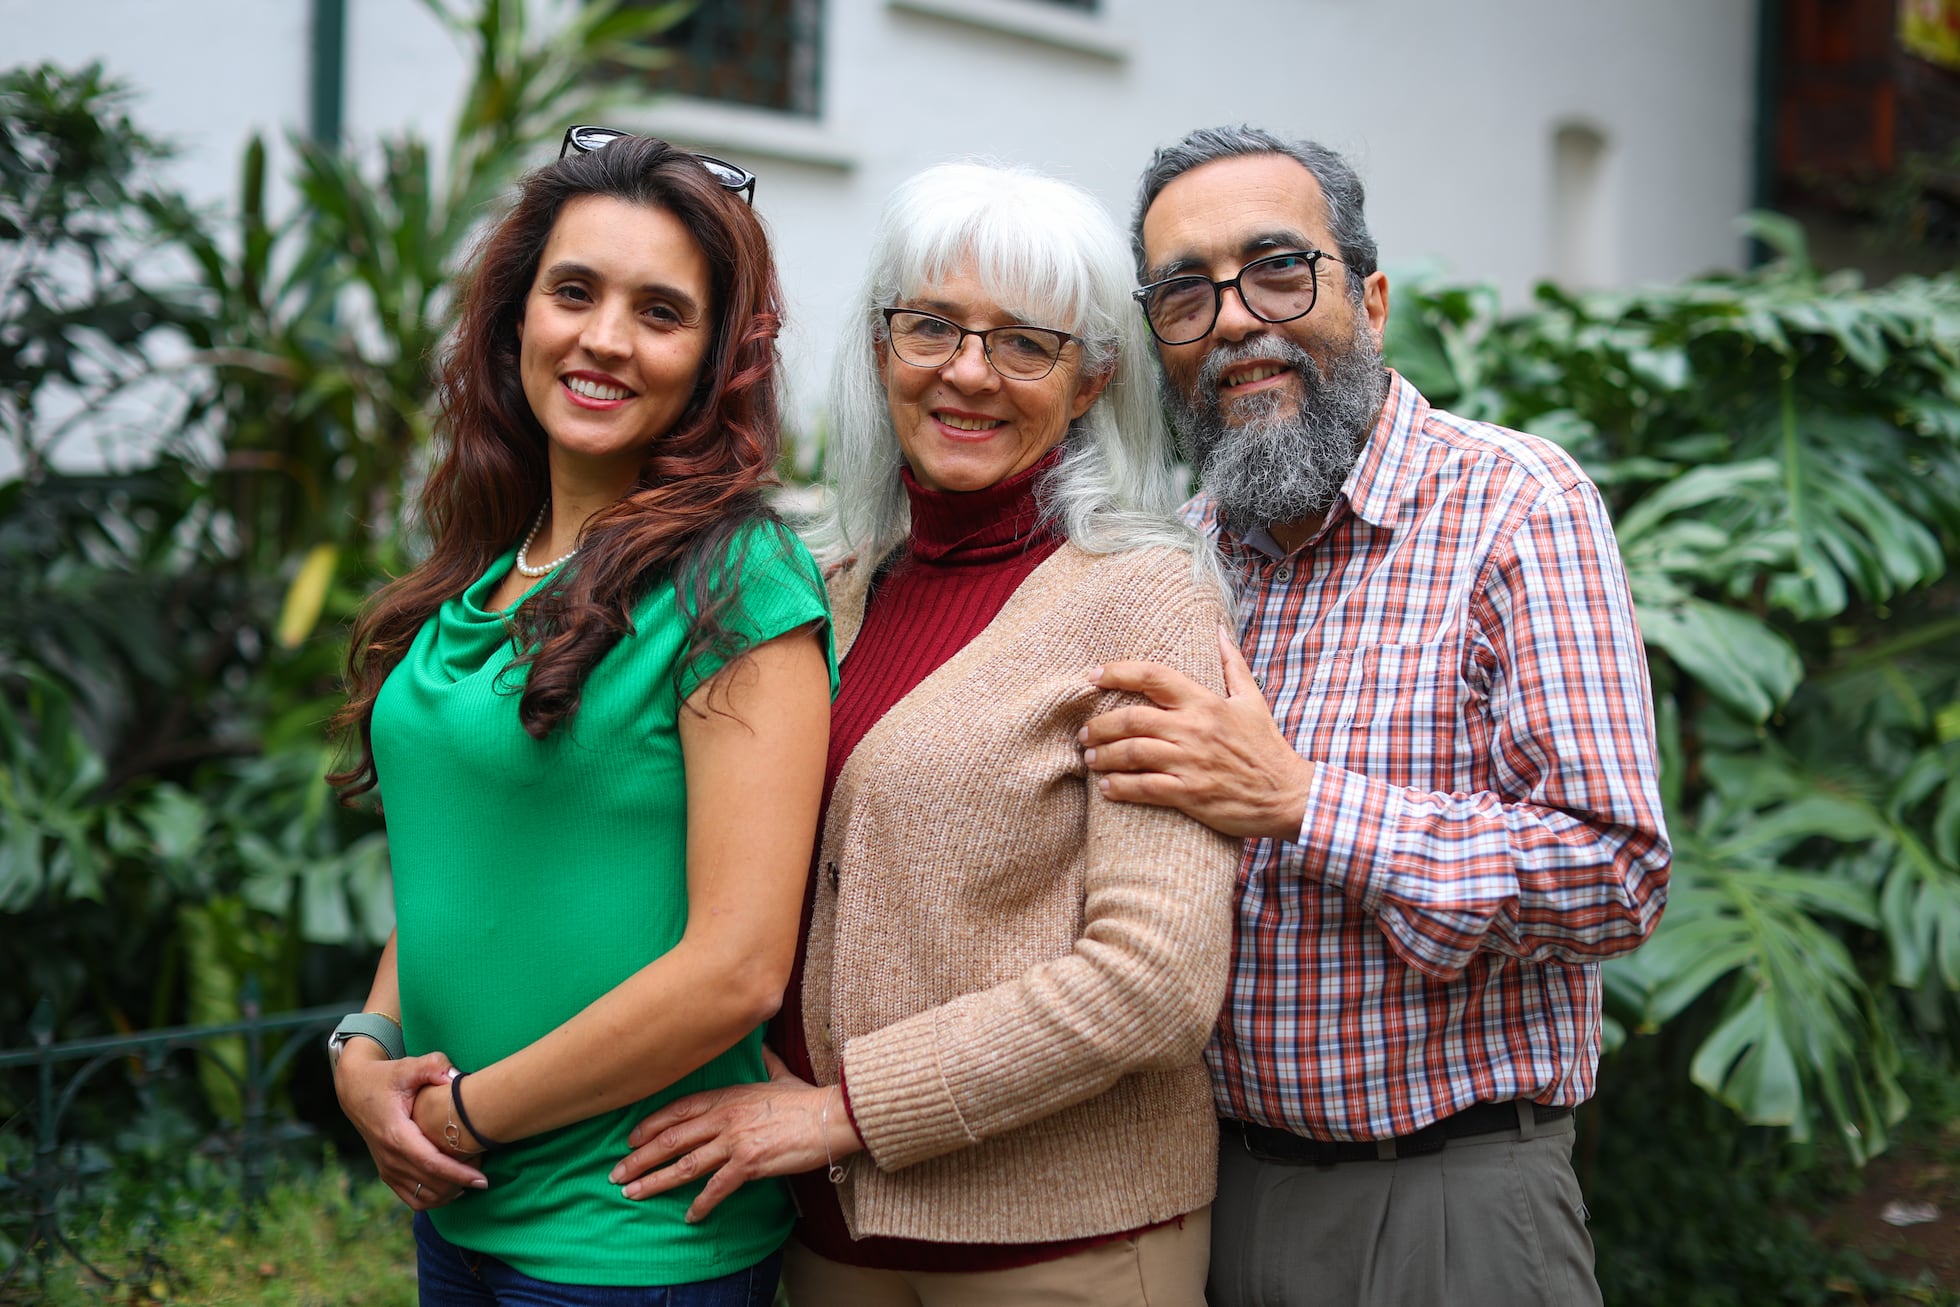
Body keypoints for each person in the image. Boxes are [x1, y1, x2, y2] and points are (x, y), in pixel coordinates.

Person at [608, 161, 1242, 1307]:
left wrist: (840, 1109)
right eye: (932, 325)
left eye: (1023, 343)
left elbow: (1153, 980)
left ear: (1093, 376)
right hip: (823, 1239)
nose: (966, 371)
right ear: (878, 343)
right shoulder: (827, 583)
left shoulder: (1143, 597)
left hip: (1060, 1247)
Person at [1079, 125, 1673, 1307]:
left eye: (1278, 269)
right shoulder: (1180, 558)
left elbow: (1615, 872)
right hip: (1204, 1194)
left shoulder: (1516, 505)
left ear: (1372, 296)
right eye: (1185, 294)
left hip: (1449, 1208)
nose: (1236, 320)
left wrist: (1300, 803)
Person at [325, 130, 834, 1304]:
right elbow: (468, 871)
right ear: (517, 320)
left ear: (714, 358)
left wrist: (462, 1111)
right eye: (575, 292)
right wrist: (364, 1046)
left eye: (661, 311)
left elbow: (737, 966)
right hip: (460, 1216)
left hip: (628, 1240)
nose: (604, 338)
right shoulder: (480, 571)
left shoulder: (736, 579)